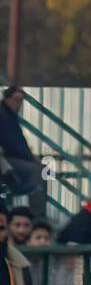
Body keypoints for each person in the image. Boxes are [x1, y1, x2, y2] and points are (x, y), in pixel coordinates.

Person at [0, 88, 47, 218]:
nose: (19, 104)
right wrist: (30, 158)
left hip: (8, 159)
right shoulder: (4, 116)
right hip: (5, 159)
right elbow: (12, 144)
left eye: (21, 100)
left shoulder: (9, 115)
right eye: (16, 100)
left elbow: (17, 143)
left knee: (39, 171)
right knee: (37, 172)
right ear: (6, 99)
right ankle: (38, 217)